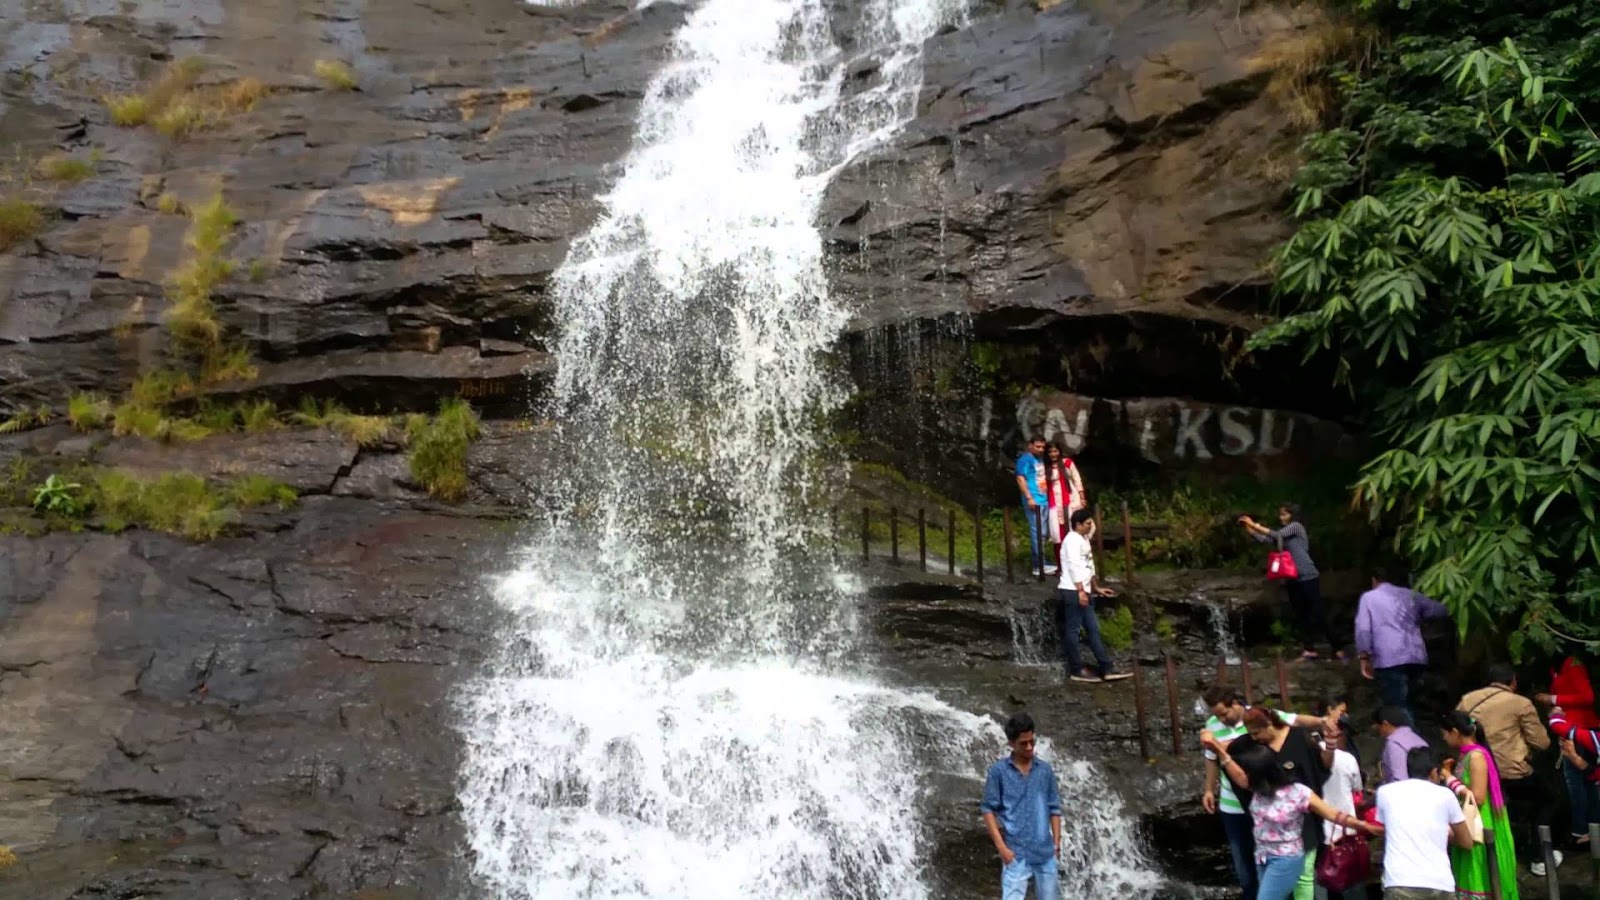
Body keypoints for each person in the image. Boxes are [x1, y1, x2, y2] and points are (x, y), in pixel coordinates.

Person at [1200, 740, 1379, 900]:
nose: (1244, 776)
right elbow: (1237, 774)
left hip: (1286, 858)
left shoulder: (1298, 792)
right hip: (1262, 857)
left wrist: (1363, 825)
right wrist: (1219, 750)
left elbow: (1333, 814)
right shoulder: (1258, 789)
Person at [1222, 707, 1334, 900]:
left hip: (1302, 816)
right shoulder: (1253, 746)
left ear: (1268, 724)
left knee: (1305, 877)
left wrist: (1331, 743)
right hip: (1271, 827)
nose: (1255, 738)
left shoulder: (1299, 738)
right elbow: (1240, 772)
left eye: (1256, 733)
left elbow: (1319, 768)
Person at [1458, 664, 1554, 874]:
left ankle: (1484, 860)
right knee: (1546, 799)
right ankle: (1539, 857)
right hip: (1512, 772)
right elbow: (1542, 742)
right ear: (1513, 682)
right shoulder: (1520, 703)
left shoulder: (1467, 700)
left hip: (1477, 770)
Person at [1239, 504, 1342, 661]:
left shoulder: (1296, 527)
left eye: (1284, 514)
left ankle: (1337, 647)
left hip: (1307, 575)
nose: (1281, 517)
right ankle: (1309, 650)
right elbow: (1268, 538)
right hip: (1292, 578)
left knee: (1318, 613)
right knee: (1301, 615)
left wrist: (1255, 525)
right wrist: (1250, 529)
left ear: (1292, 515)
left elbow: (1277, 535)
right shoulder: (1283, 534)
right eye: (1280, 515)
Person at [980, 712, 1062, 900]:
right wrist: (1001, 848)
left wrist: (1057, 842)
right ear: (1011, 744)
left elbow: (1054, 808)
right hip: (1016, 854)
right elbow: (987, 809)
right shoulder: (999, 772)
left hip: (1045, 853)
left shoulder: (1045, 771)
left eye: (1032, 742)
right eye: (1023, 743)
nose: (1029, 747)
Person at [1374, 746, 1474, 900]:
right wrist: (1445, 832)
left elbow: (1389, 828)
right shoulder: (1446, 795)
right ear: (1434, 772)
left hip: (1399, 882)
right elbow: (1466, 841)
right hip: (1439, 883)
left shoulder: (1385, 792)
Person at [1441, 710, 1520, 897]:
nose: (1444, 738)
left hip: (1479, 824)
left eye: (1444, 733)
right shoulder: (1465, 755)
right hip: (1468, 822)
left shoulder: (1476, 757)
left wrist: (1449, 778)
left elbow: (1477, 797)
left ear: (1455, 732)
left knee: (1479, 872)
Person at [1354, 568, 1449, 721]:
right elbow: (1440, 610)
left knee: (1397, 707)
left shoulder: (1369, 597)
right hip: (1416, 656)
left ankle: (1407, 741)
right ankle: (1416, 737)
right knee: (1410, 702)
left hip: (1389, 658)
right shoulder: (1411, 595)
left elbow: (1363, 629)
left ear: (1374, 580)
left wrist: (1364, 657)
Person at [1058, 509, 1131, 684]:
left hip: (1084, 590)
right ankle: (1076, 669)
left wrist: (1096, 587)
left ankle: (1107, 668)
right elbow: (1074, 566)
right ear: (1078, 525)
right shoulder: (1071, 541)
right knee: (1073, 630)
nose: (1091, 526)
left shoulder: (1083, 540)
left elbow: (1088, 566)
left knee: (1093, 629)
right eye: (1088, 523)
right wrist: (1081, 591)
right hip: (1072, 590)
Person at [1535, 655, 1598, 849]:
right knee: (1584, 778)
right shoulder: (1557, 668)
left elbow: (1587, 696)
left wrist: (1553, 700)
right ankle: (1586, 829)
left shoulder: (1573, 664)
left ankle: (1583, 830)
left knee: (1579, 782)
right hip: (1569, 729)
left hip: (1580, 731)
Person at [1545, 702, 1600, 851]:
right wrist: (1574, 757)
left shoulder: (1596, 739)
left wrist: (1556, 711)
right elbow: (1595, 775)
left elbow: (1557, 725)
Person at [1014, 436, 1054, 577]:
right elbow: (1020, 478)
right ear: (1030, 445)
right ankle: (1038, 565)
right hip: (1034, 500)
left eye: (1043, 447)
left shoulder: (1040, 460)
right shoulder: (1025, 459)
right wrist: (1029, 497)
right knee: (1037, 531)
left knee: (1043, 532)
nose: (1041, 449)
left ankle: (1042, 561)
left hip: (1044, 499)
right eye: (1038, 446)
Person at [1041, 440, 1084, 551]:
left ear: (1059, 452)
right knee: (1057, 534)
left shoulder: (1067, 463)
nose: (1053, 454)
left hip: (1070, 501)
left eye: (1055, 451)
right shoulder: (1045, 467)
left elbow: (1077, 479)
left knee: (1073, 530)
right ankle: (1061, 564)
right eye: (1050, 452)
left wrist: (1082, 497)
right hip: (1054, 503)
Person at [1374, 706, 1429, 786]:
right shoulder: (1417, 739)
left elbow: (1399, 780)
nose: (1378, 731)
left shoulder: (1394, 745)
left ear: (1385, 724)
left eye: (1378, 727)